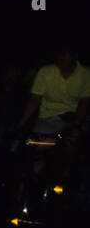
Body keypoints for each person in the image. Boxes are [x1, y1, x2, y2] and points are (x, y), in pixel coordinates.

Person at [14, 42, 89, 176]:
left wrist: (76, 126)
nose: (61, 58)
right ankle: (33, 182)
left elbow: (84, 103)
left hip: (74, 118)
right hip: (48, 118)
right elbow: (35, 99)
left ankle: (65, 178)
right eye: (59, 55)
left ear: (74, 57)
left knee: (71, 145)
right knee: (39, 148)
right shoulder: (45, 72)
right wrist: (21, 123)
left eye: (65, 55)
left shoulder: (85, 74)